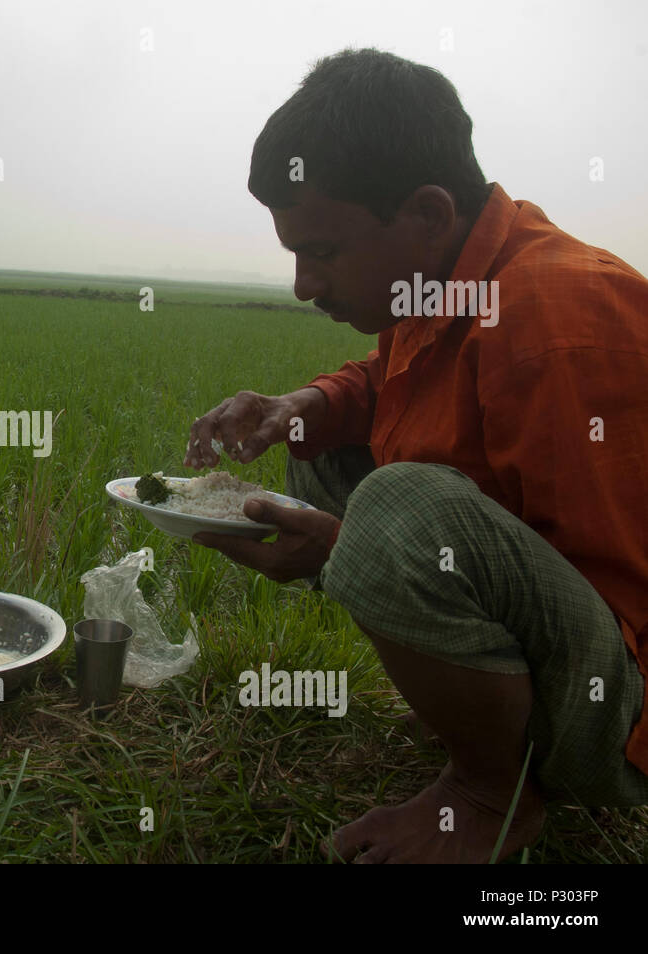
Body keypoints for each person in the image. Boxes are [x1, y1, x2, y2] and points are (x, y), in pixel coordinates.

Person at [185, 49, 648, 863]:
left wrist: (348, 551)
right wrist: (306, 406)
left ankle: (491, 792)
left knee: (395, 509)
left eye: (323, 252)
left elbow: (620, 592)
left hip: (626, 709)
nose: (302, 284)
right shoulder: (439, 277)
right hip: (560, 631)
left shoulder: (557, 316)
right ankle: (479, 719)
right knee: (318, 449)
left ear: (429, 213)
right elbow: (395, 379)